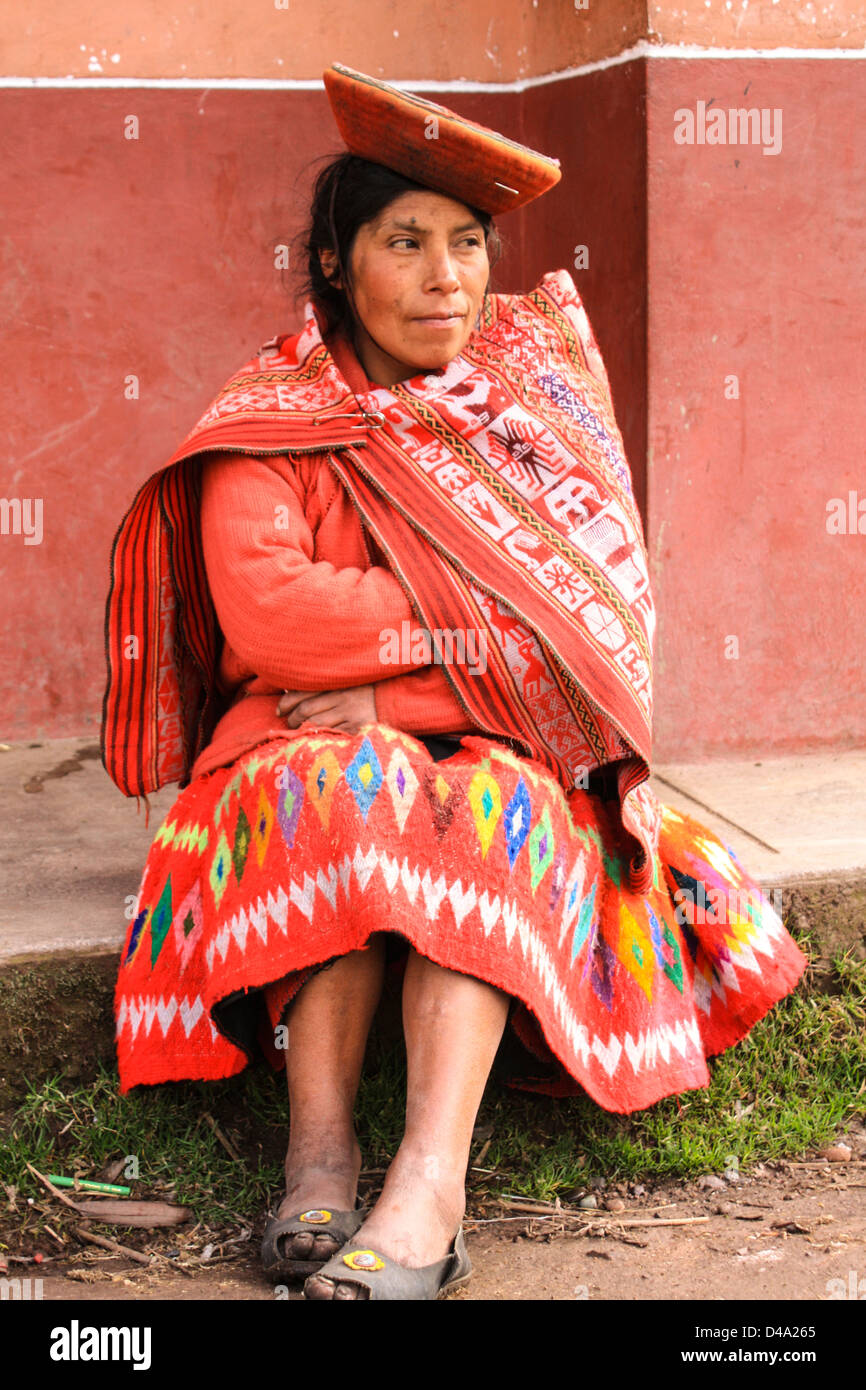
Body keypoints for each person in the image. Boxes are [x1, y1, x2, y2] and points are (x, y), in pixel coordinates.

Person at [101, 64, 807, 1301]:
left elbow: (596, 640)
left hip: (493, 747)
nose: (447, 278)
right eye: (406, 241)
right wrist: (480, 630)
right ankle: (318, 1152)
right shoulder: (274, 417)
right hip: (288, 745)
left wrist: (396, 694)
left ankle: (430, 1185)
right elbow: (273, 622)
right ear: (335, 262)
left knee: (492, 810)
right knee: (343, 786)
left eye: (468, 245)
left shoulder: (536, 415)